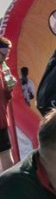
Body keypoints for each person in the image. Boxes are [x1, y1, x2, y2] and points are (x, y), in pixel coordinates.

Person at [0, 38, 13, 170]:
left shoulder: (3, 70)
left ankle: (7, 189)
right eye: (3, 54)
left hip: (2, 122)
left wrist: (8, 90)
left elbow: (4, 98)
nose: (5, 58)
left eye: (7, 55)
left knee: (7, 162)